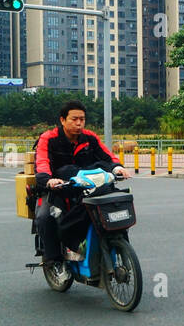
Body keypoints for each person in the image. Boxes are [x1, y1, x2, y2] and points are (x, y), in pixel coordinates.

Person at [34, 101, 129, 273]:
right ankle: (54, 261)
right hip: (57, 189)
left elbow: (107, 157)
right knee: (45, 217)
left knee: (113, 206)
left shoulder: (90, 138)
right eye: (74, 119)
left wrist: (117, 168)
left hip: (87, 187)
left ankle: (119, 249)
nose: (79, 123)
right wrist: (49, 180)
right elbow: (41, 163)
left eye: (82, 119)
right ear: (63, 120)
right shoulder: (49, 138)